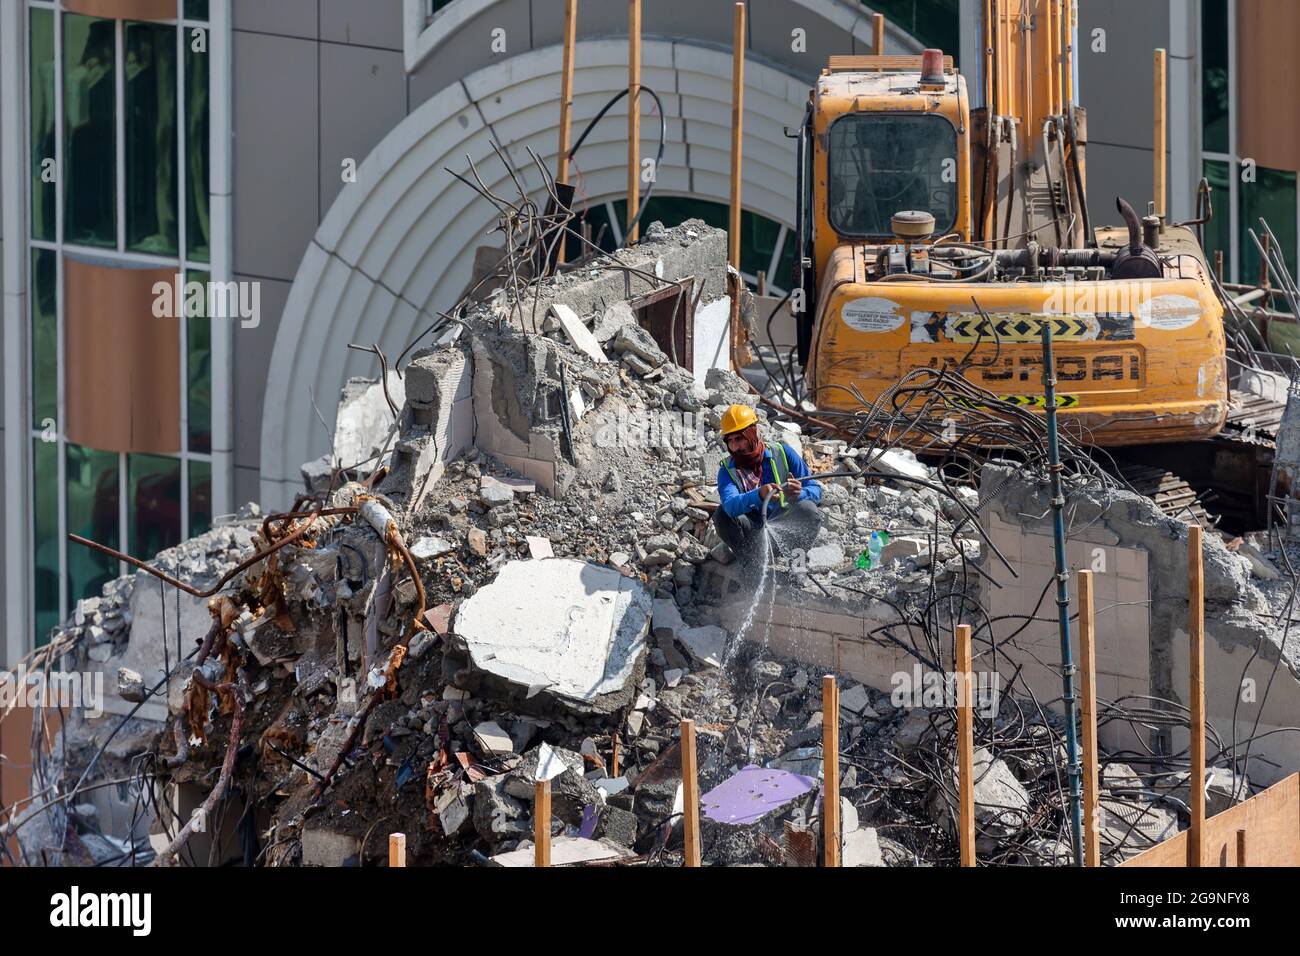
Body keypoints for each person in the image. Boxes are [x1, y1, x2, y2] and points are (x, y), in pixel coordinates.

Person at [713, 404, 821, 562]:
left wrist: (799, 493)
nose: (735, 447)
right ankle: (751, 564)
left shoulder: (783, 453)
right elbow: (730, 506)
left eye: (739, 438)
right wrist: (759, 494)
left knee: (808, 509)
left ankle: (798, 564)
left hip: (786, 529)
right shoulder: (727, 470)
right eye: (730, 440)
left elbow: (816, 490)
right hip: (754, 536)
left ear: (753, 433)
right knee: (721, 515)